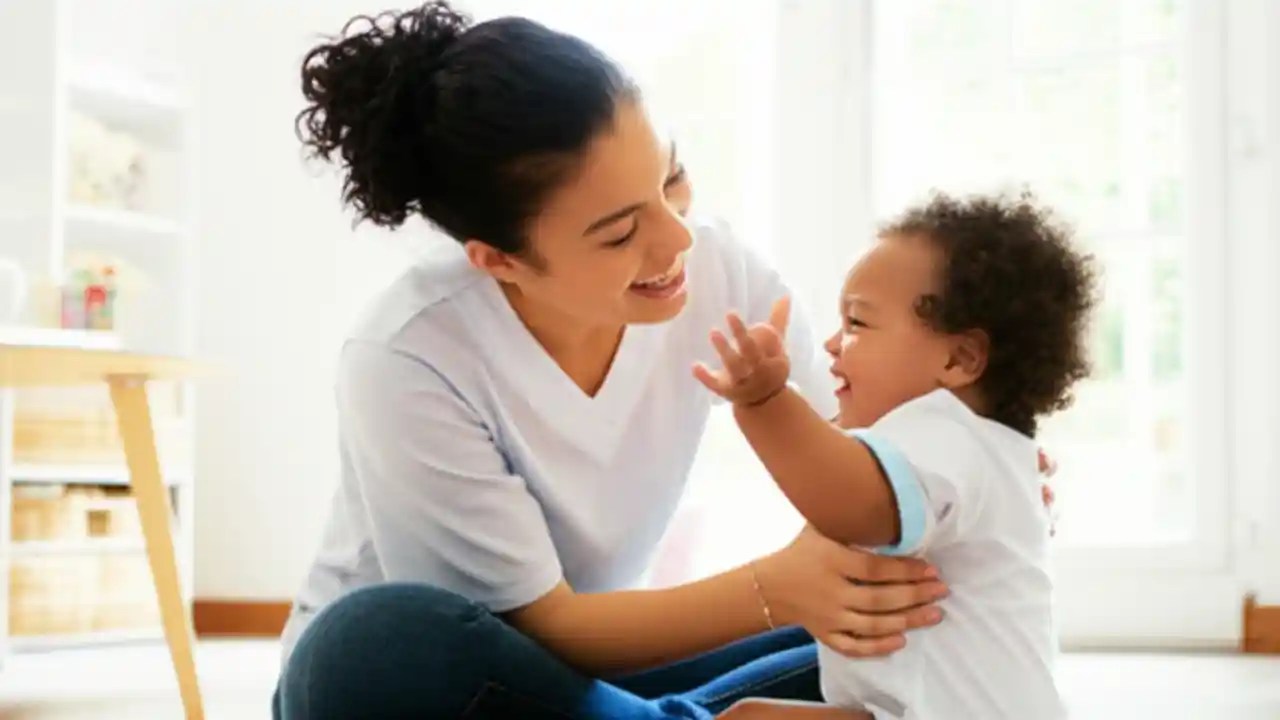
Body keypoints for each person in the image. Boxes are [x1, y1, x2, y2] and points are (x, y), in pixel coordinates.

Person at [695, 192, 1096, 719]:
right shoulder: (970, 443)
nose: (834, 344)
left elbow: (852, 504)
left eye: (858, 323)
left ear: (958, 358)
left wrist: (765, 402)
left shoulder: (944, 435)